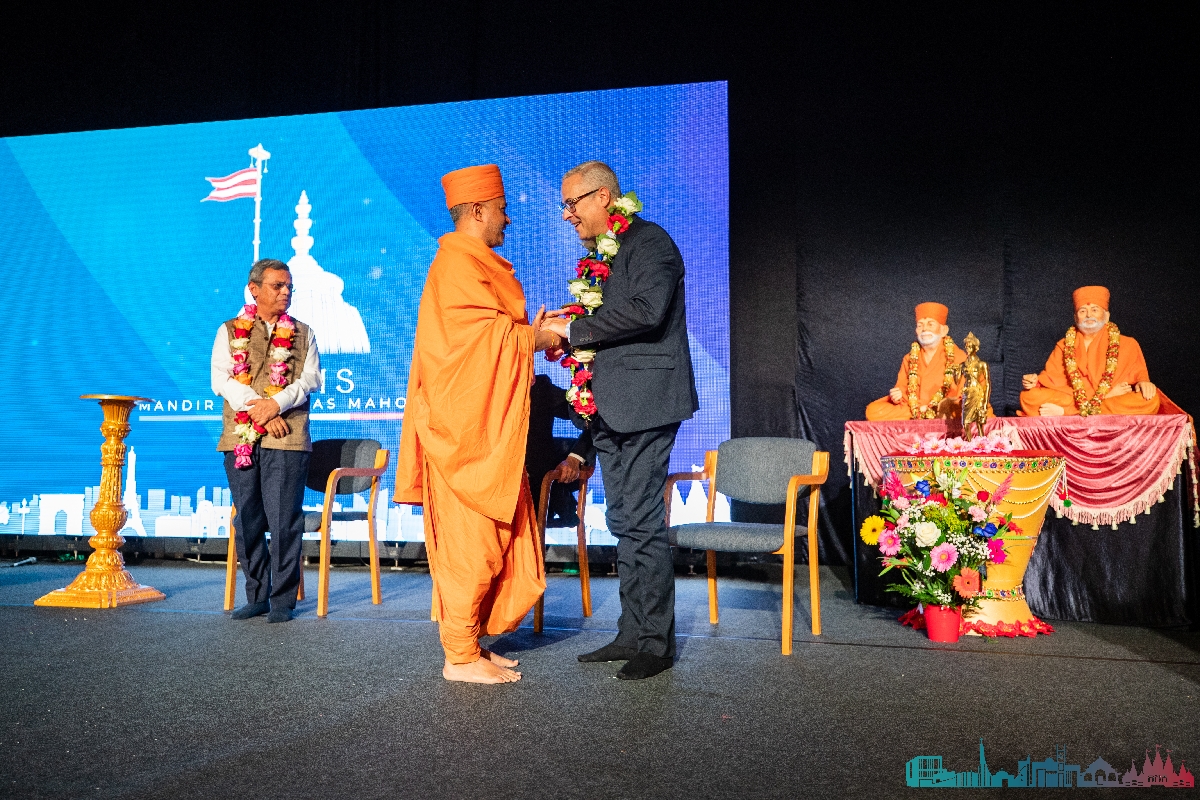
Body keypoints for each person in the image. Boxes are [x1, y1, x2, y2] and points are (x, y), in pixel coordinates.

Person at [393, 164, 562, 684]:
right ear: (477, 210)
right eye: (503, 210)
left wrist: (528, 335)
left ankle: (472, 647)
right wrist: (536, 339)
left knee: (493, 542)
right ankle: (459, 657)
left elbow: (488, 340)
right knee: (473, 545)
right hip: (461, 437)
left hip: (485, 431)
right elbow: (478, 348)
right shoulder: (456, 265)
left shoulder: (473, 264)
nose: (507, 221)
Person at [542, 160, 698, 680]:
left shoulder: (651, 242)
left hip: (649, 402)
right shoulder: (598, 260)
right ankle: (631, 633)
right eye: (564, 205)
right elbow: (606, 326)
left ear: (605, 197)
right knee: (623, 522)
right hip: (610, 408)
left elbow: (648, 311)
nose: (568, 215)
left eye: (573, 203)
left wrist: (574, 329)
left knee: (642, 524)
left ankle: (656, 642)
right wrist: (570, 335)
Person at [212, 258, 321, 623]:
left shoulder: (304, 333)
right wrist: (259, 409)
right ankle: (256, 595)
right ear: (254, 289)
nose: (286, 292)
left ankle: (282, 601)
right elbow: (221, 380)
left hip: (287, 439)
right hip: (240, 437)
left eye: (289, 286)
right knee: (248, 520)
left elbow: (309, 382)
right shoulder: (229, 330)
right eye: (278, 285)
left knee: (284, 520)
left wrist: (275, 404)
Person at [1020, 285, 1159, 416]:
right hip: (1077, 397)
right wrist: (1035, 382)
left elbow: (1139, 375)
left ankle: (1070, 412)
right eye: (1082, 311)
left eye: (1094, 310)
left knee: (1149, 400)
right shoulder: (1063, 345)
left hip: (1112, 398)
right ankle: (1090, 408)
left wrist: (1143, 382)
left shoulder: (1128, 343)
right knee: (1029, 397)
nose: (1088, 315)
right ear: (1075, 318)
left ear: (1107, 317)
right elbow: (1050, 378)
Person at [865, 302, 966, 421]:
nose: (925, 329)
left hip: (944, 409)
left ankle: (932, 414)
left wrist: (943, 405)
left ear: (944, 330)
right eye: (920, 325)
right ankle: (924, 415)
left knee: (962, 409)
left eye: (930, 324)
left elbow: (964, 395)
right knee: (873, 411)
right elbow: (902, 389)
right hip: (914, 409)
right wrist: (897, 397)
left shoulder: (960, 357)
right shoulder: (909, 358)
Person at [526, 374, 596, 528]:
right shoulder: (476, 392)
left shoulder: (539, 389)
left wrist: (575, 457)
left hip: (534, 494)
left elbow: (593, 418)